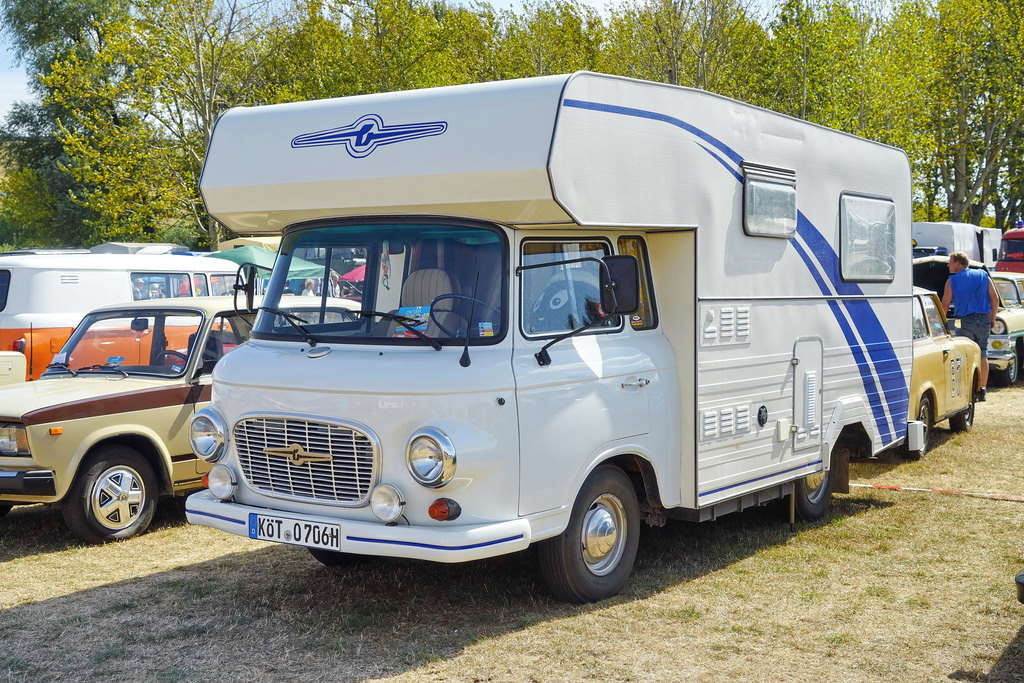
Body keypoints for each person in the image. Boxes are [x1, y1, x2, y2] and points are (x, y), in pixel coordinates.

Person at [941, 251, 999, 401]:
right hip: (984, 320)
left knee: (964, 354)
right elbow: (995, 298)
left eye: (950, 262)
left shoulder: (952, 280)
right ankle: (982, 390)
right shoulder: (983, 275)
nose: (948, 265)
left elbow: (945, 305)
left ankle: (966, 389)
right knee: (982, 353)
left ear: (958, 264)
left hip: (964, 321)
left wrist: (940, 324)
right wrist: (992, 318)